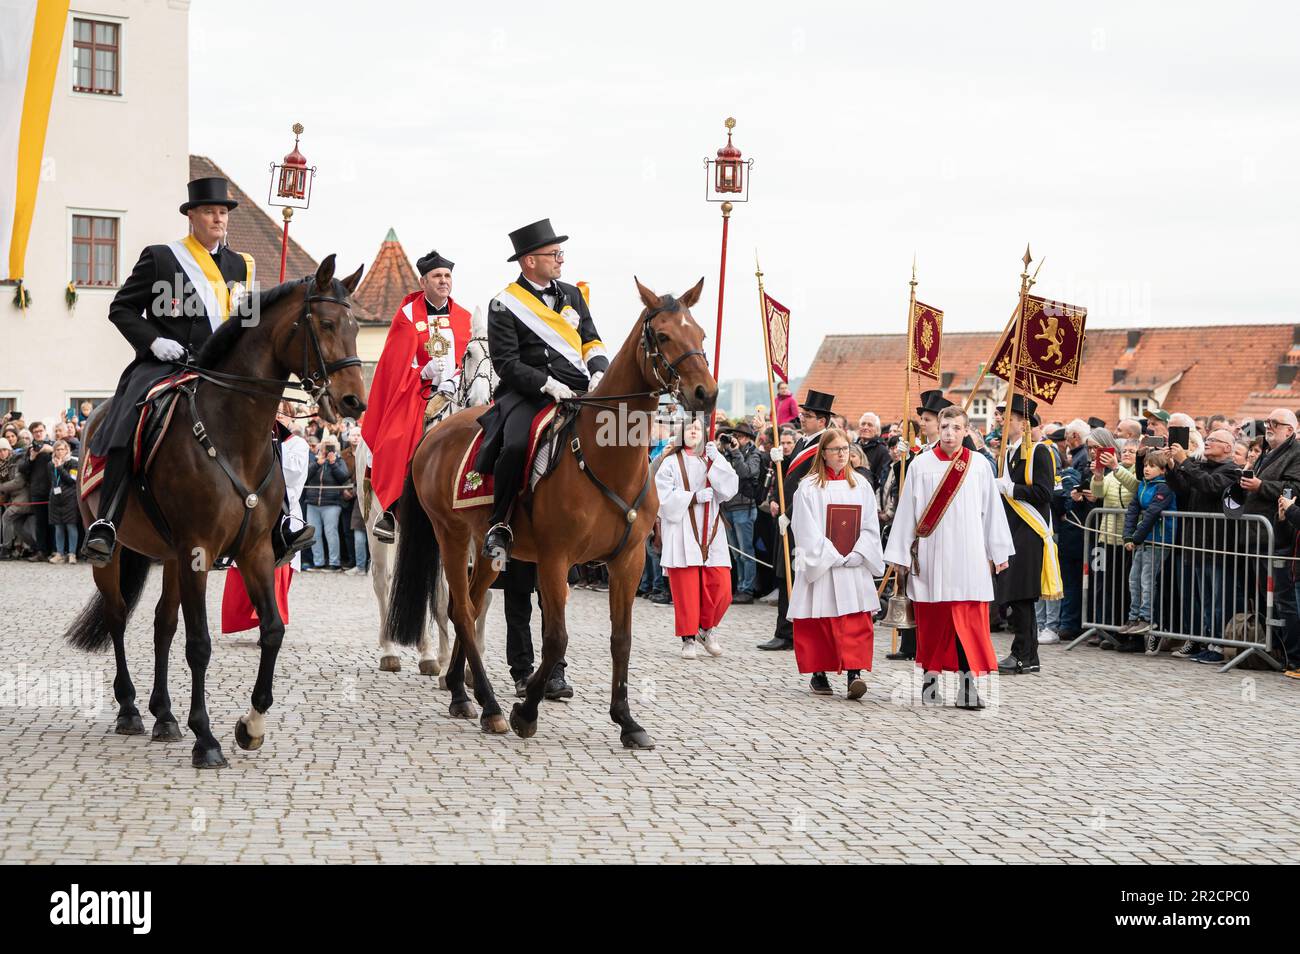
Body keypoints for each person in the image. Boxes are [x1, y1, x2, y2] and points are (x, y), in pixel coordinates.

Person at [84, 177, 254, 563]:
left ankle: (280, 520)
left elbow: (246, 322)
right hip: (167, 362)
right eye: (210, 212)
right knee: (132, 413)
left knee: (271, 426)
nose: (218, 219)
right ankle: (107, 520)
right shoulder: (161, 257)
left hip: (220, 371)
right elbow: (121, 309)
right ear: (191, 216)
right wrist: (153, 341)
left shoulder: (240, 265)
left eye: (223, 213)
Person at [476, 219, 608, 563]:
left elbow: (591, 340)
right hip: (527, 393)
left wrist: (598, 372)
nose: (561, 259)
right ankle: (501, 523)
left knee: (616, 433)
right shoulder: (503, 304)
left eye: (560, 252)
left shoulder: (572, 294)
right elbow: (505, 363)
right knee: (516, 444)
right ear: (529, 261)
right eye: (554, 253)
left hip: (578, 389)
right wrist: (547, 384)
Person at [884, 407, 1013, 709]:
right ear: (938, 429)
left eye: (957, 427)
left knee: (967, 624)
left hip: (969, 557)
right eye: (945, 426)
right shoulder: (920, 465)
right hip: (932, 556)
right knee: (933, 622)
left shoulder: (979, 465)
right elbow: (907, 512)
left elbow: (991, 511)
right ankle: (930, 681)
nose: (950, 433)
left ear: (967, 431)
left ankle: (968, 688)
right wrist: (901, 553)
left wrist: (997, 550)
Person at [362, 249, 473, 543]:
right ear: (423, 281)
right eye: (437, 276)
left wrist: (456, 379)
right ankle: (393, 508)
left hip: (458, 390)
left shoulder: (464, 317)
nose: (443, 281)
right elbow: (394, 365)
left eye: (447, 276)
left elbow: (473, 358)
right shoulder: (408, 316)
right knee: (398, 434)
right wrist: (422, 372)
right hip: (417, 391)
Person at [788, 428, 885, 698]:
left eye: (845, 449)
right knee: (821, 617)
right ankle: (819, 674)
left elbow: (870, 524)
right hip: (823, 564)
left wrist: (859, 552)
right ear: (824, 454)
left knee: (855, 619)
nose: (843, 454)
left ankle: (855, 673)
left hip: (853, 563)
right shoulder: (808, 488)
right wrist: (830, 553)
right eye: (836, 450)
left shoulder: (861, 485)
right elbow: (805, 528)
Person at [757, 390, 836, 651]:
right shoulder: (804, 442)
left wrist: (790, 513)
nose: (802, 419)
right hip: (787, 514)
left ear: (823, 421)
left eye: (809, 416)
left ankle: (792, 630)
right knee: (784, 573)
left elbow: (811, 485)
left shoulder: (825, 445)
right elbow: (792, 478)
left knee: (795, 573)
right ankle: (785, 629)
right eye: (803, 414)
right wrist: (783, 461)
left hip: (804, 519)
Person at [656, 418, 738, 658]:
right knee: (687, 589)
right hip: (683, 529)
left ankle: (706, 627)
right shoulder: (670, 462)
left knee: (721, 587)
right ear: (682, 433)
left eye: (698, 428)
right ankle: (688, 638)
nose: (694, 431)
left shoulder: (711, 459)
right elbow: (661, 496)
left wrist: (719, 461)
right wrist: (692, 497)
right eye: (689, 428)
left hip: (711, 529)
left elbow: (729, 489)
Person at [994, 395, 1061, 675]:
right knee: (1015, 595)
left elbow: (1046, 493)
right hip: (1013, 529)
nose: (1002, 422)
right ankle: (1027, 654)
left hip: (1031, 531)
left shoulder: (1040, 452)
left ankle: (1022, 654)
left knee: (1021, 594)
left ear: (1023, 424)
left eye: (1008, 417)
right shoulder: (1009, 452)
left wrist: (1011, 489)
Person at [885, 389, 954, 662]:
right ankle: (909, 644)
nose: (922, 424)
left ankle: (923, 646)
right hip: (915, 526)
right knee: (910, 585)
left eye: (926, 419)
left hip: (937, 529)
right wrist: (901, 462)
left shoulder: (952, 453)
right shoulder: (921, 452)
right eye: (922, 419)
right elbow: (905, 488)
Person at [1119, 449, 1176, 650]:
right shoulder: (1143, 485)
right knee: (1133, 578)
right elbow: (1133, 510)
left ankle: (1147, 617)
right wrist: (1127, 536)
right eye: (1145, 465)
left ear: (1162, 470)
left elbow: (1152, 513)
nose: (1146, 469)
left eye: (1152, 466)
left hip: (1159, 539)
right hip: (1143, 540)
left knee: (1147, 579)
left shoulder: (1164, 487)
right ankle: (1133, 617)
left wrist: (1136, 537)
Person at [718, 421, 762, 602]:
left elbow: (745, 473)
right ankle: (740, 586)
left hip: (744, 507)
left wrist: (735, 452)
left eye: (741, 437)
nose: (737, 439)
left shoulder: (754, 454)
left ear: (749, 439)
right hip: (728, 507)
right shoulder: (728, 453)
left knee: (746, 551)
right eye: (735, 436)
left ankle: (747, 589)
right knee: (736, 553)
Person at [303, 437, 349, 571]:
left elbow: (343, 477)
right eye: (325, 447)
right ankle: (318, 562)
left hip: (331, 503)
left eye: (330, 447)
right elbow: (305, 476)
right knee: (314, 533)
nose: (327, 450)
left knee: (331, 533)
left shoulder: (339, 461)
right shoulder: (315, 460)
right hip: (312, 502)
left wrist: (333, 463)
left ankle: (334, 563)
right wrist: (317, 463)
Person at [47, 440, 80, 563]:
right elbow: (52, 481)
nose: (60, 452)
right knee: (58, 527)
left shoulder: (73, 462)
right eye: (57, 449)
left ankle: (72, 553)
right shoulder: (51, 464)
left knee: (71, 525)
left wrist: (60, 467)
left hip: (69, 498)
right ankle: (59, 553)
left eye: (62, 449)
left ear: (67, 450)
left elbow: (71, 480)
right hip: (55, 498)